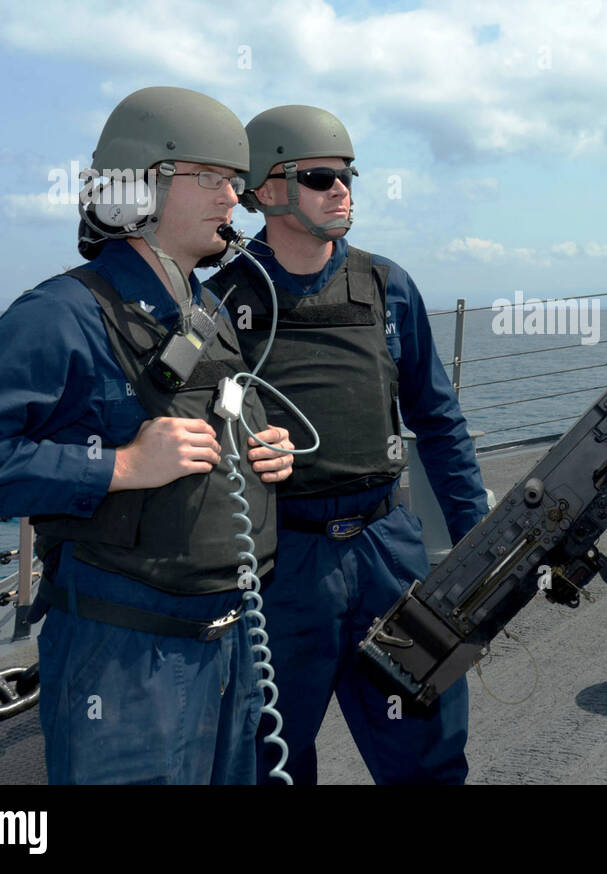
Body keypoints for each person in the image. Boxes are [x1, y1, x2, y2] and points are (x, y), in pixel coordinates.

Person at [0, 86, 296, 785]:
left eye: (235, 182)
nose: (231, 199)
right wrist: (117, 467)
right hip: (125, 660)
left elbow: (215, 422)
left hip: (231, 643)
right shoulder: (61, 314)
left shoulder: (206, 308)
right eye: (208, 177)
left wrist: (264, 452)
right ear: (134, 189)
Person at [206, 105, 488, 785]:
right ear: (267, 191)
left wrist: (478, 545)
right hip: (283, 566)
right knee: (270, 760)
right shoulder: (221, 305)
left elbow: (439, 420)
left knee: (429, 752)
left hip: (387, 549)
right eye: (320, 176)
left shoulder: (387, 288)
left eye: (347, 175)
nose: (342, 189)